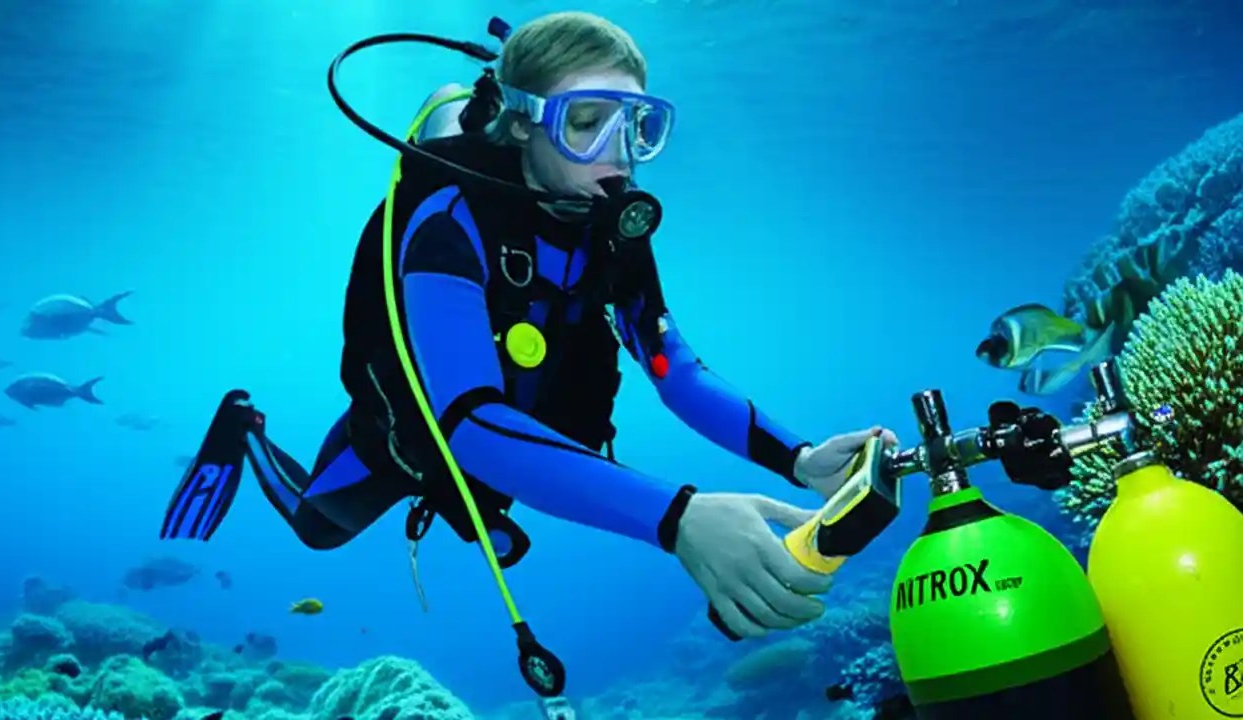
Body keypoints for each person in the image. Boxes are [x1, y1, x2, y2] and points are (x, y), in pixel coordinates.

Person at [161, 11, 898, 649]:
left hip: (523, 447)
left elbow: (677, 373)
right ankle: (242, 425)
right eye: (586, 122)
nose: (617, 153)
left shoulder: (613, 232)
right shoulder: (447, 224)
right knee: (318, 528)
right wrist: (678, 517)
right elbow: (469, 423)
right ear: (522, 122)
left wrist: (798, 459)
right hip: (408, 437)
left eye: (636, 124)